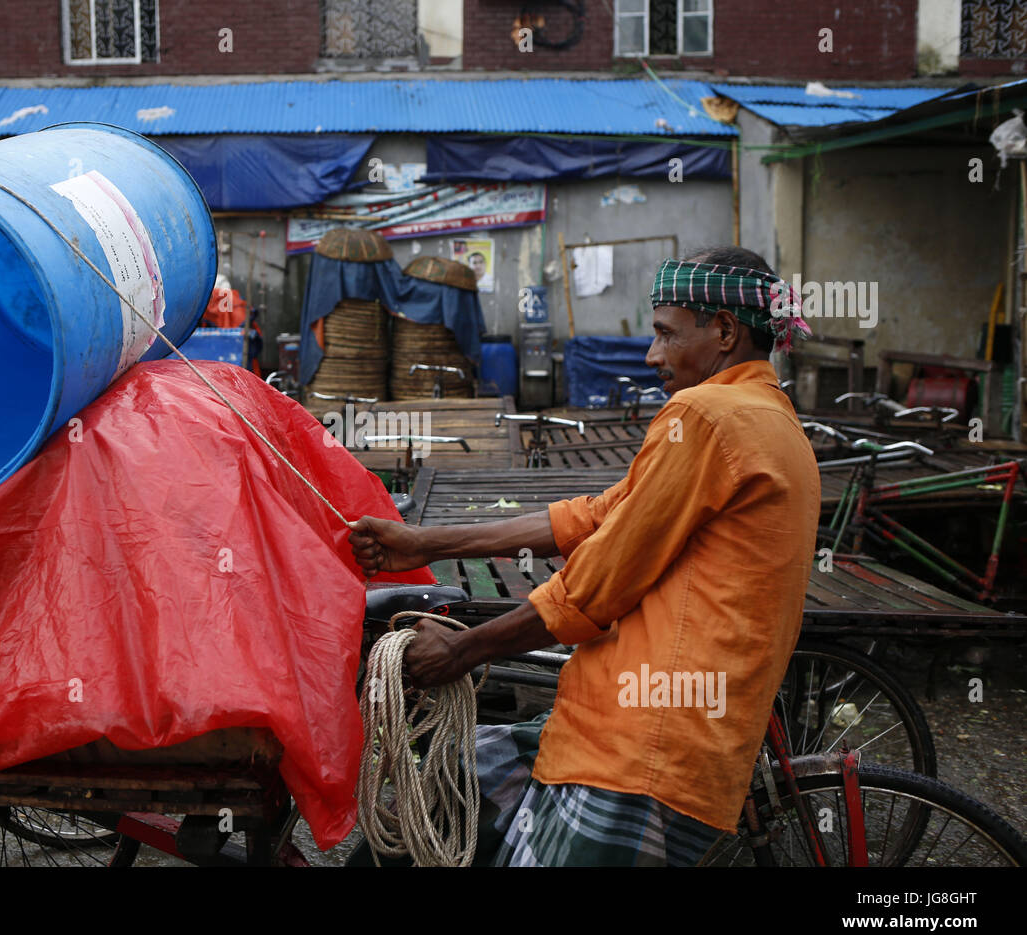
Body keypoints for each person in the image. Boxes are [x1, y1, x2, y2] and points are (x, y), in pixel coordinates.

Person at [348, 246, 820, 866]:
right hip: (628, 723)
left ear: (725, 332)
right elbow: (597, 516)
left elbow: (594, 587)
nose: (652, 356)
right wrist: (422, 542)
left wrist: (464, 650)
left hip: (640, 750)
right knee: (439, 805)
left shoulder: (706, 416)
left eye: (664, 334)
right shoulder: (769, 416)